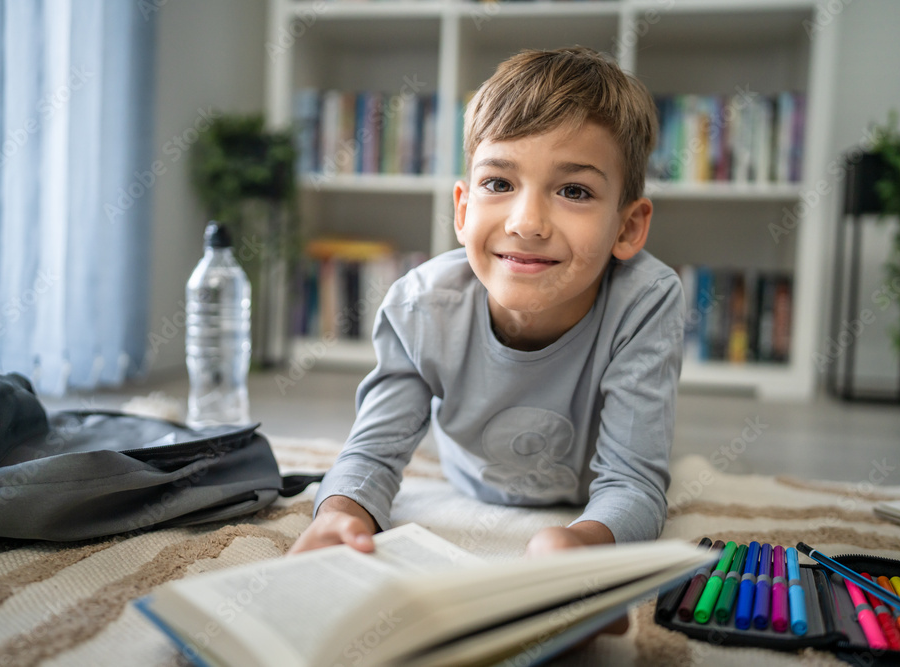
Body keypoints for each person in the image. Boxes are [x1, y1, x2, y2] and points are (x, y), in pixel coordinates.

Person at [291, 46, 684, 559]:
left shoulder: (645, 302)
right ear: (462, 208)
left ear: (628, 226)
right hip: (467, 480)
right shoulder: (420, 305)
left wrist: (581, 545)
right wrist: (340, 516)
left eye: (574, 191)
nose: (526, 222)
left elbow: (633, 483)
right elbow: (370, 455)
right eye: (498, 183)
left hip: (587, 496)